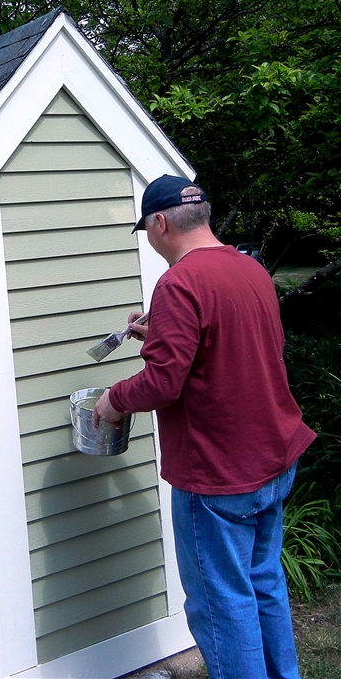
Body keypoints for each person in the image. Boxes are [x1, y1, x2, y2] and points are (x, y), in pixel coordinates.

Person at [93, 175, 315, 679]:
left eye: (146, 231)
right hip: (274, 457)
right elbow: (231, 343)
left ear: (161, 222)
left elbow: (163, 384)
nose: (149, 241)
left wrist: (114, 401)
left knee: (221, 603)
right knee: (263, 584)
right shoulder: (250, 268)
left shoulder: (179, 282)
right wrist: (163, 332)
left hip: (220, 475)